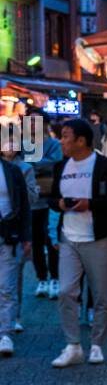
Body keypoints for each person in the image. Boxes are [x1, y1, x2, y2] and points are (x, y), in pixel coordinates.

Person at [49, 117, 107, 367]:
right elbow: (53, 198)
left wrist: (90, 204)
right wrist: (59, 204)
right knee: (66, 291)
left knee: (101, 293)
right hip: (68, 238)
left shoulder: (104, 165)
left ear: (81, 141)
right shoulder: (61, 166)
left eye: (65, 136)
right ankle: (72, 345)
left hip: (97, 238)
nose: (61, 141)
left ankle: (96, 344)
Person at [1, 141, 38, 333]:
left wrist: (26, 235)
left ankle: (13, 318)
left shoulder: (23, 168)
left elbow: (29, 200)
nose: (9, 147)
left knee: (13, 278)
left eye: (12, 143)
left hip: (12, 230)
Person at [31, 113, 62, 297]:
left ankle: (55, 278)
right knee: (35, 242)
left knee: (52, 240)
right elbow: (20, 165)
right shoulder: (25, 145)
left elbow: (55, 163)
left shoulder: (54, 144)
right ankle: (41, 278)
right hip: (32, 201)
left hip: (50, 199)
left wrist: (34, 163)